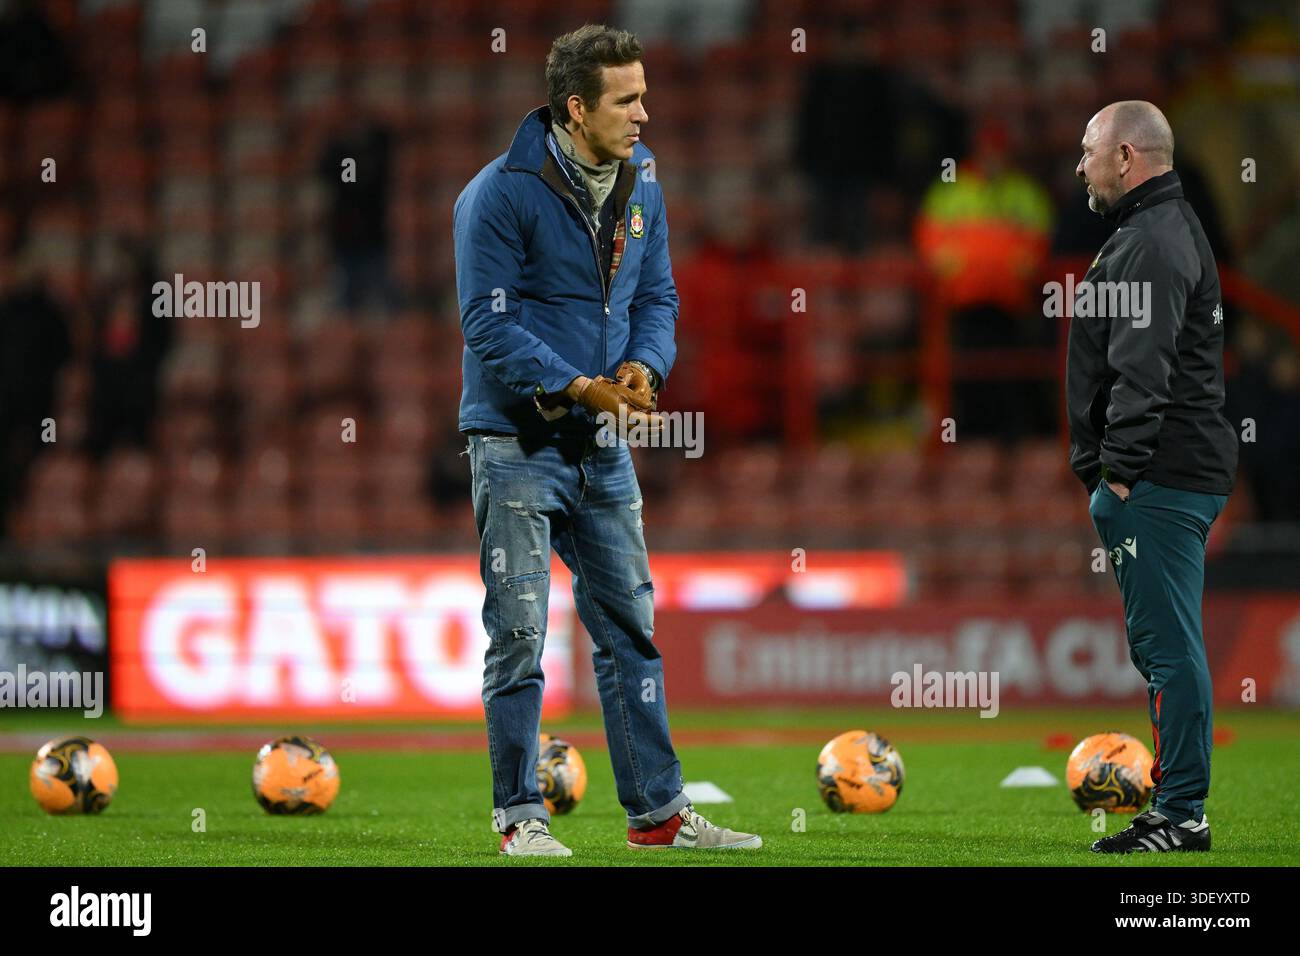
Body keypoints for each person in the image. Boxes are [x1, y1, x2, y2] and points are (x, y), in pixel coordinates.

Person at [452, 24, 760, 857]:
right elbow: (486, 321)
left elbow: (658, 297)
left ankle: (657, 815)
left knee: (630, 629)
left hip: (601, 448)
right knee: (519, 634)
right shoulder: (498, 193)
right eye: (627, 100)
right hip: (513, 443)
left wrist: (644, 372)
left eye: (645, 95)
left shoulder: (643, 183)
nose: (643, 114)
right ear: (576, 107)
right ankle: (520, 817)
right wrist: (580, 385)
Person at [1067, 101, 1237, 853]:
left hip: (1160, 473)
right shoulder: (1158, 231)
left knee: (1167, 648)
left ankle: (1181, 813)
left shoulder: (1153, 241)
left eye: (1089, 151)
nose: (1081, 166)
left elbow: (1143, 370)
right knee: (1165, 645)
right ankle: (1179, 805)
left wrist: (1120, 472)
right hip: (1167, 469)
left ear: (1127, 156)